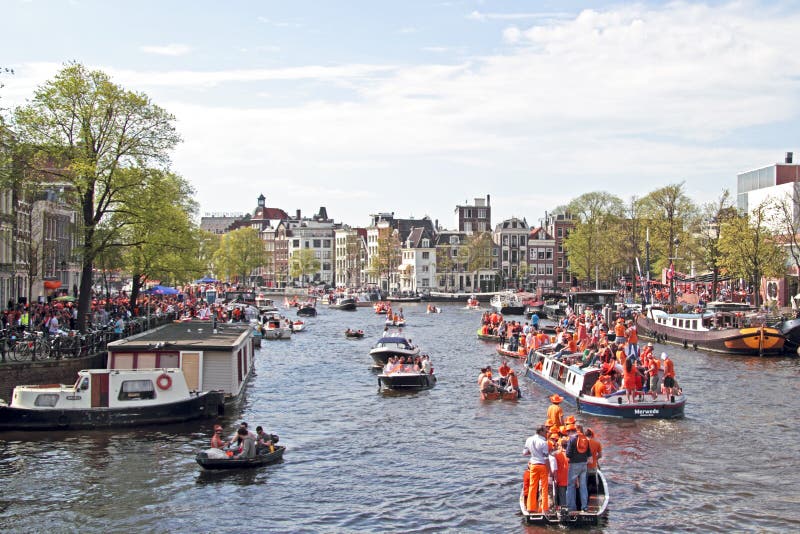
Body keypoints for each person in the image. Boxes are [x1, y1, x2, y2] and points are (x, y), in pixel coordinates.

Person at [522, 425, 551, 513]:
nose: (547, 433)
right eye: (546, 432)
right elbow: (546, 458)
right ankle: (545, 509)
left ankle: (531, 507)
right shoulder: (543, 442)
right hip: (542, 465)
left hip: (533, 465)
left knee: (532, 486)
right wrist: (548, 469)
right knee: (544, 487)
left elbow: (524, 453)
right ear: (541, 432)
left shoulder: (529, 439)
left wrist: (533, 451)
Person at [565, 424, 591, 512]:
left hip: (574, 465)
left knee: (570, 485)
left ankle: (571, 507)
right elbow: (589, 454)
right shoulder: (585, 439)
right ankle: (584, 507)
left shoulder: (571, 439)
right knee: (583, 486)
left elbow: (568, 454)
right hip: (584, 465)